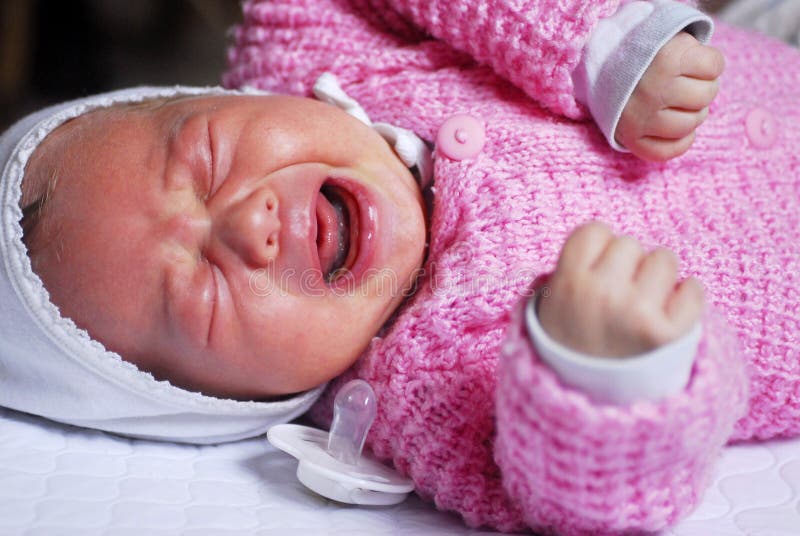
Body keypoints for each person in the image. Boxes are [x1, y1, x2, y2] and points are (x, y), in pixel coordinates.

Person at [0, 0, 795, 533]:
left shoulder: (313, 43)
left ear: (226, 96)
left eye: (209, 154)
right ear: (225, 402)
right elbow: (576, 492)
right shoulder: (418, 402)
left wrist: (594, 43)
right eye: (201, 298)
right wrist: (601, 376)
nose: (250, 223)